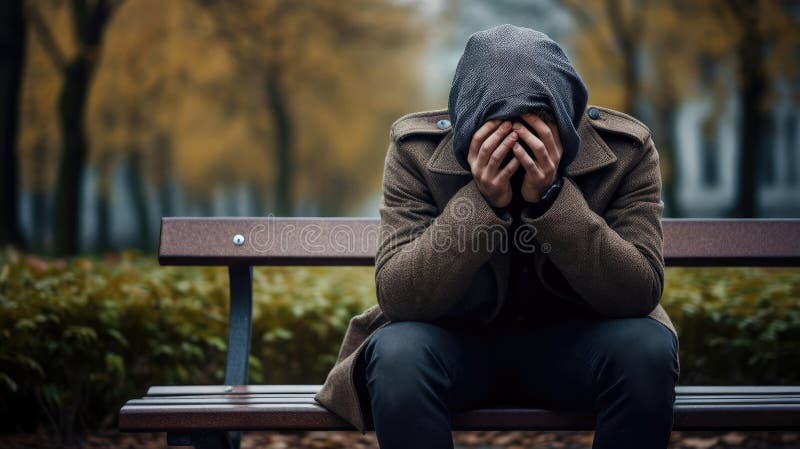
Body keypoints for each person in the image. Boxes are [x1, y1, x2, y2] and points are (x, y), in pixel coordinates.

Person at [314, 24, 680, 449]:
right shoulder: (415, 150)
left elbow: (640, 291)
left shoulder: (626, 152)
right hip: (457, 346)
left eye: (535, 128)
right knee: (397, 352)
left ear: (565, 117)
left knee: (646, 349)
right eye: (496, 130)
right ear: (466, 121)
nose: (516, 147)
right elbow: (398, 295)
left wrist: (552, 202)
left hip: (579, 348)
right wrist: (480, 203)